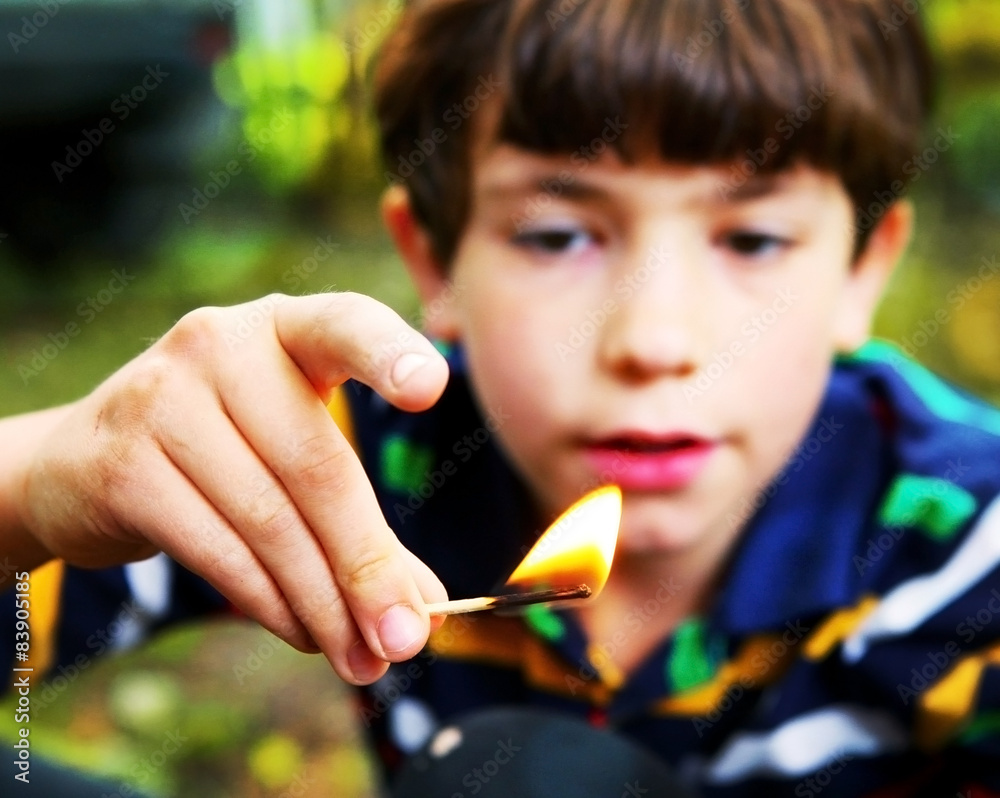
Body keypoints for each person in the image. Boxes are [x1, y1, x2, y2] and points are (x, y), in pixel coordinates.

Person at [3, 0, 1000, 794]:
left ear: (862, 270)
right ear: (431, 259)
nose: (652, 342)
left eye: (751, 240)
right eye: (557, 236)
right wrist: (45, 477)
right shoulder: (341, 461)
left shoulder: (966, 545)